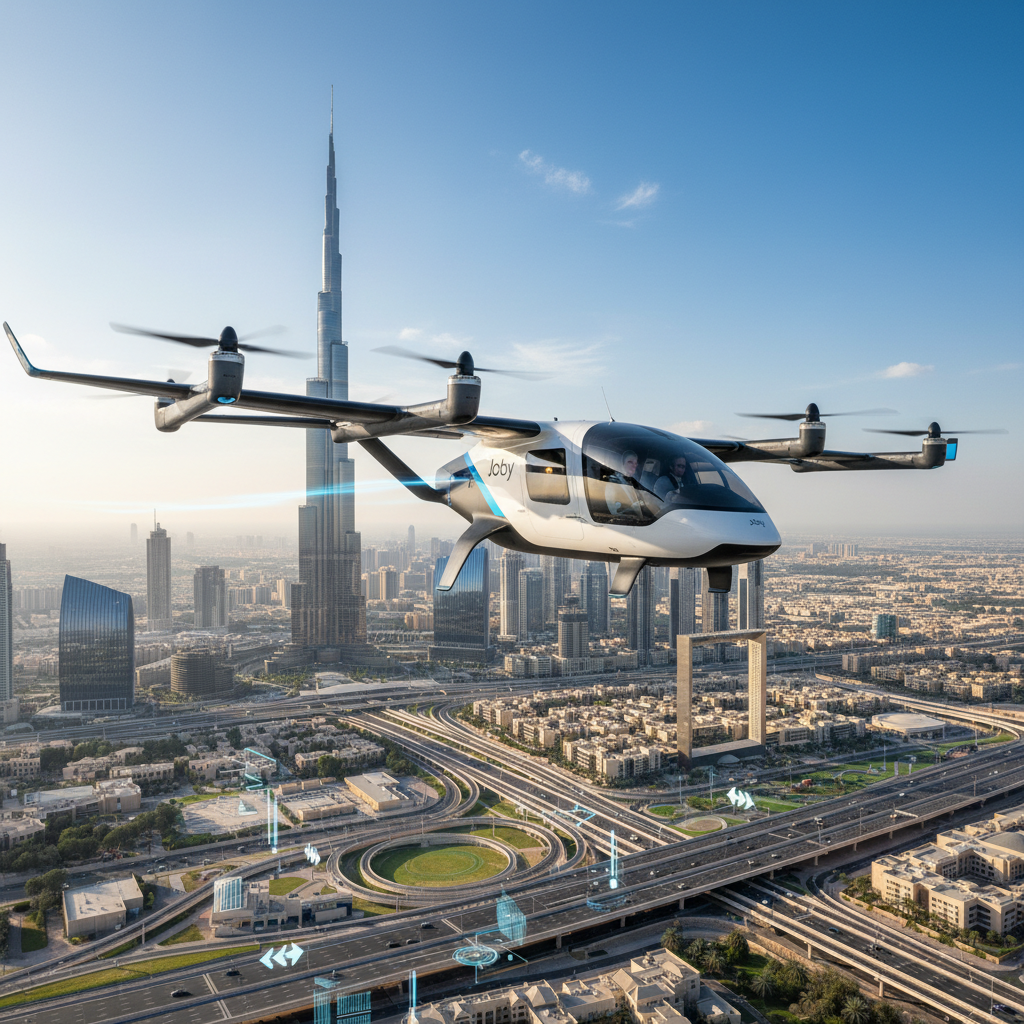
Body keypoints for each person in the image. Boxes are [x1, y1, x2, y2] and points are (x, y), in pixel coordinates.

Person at [604, 449, 643, 518]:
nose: (634, 466)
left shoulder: (633, 482)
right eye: (630, 462)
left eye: (635, 463)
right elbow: (615, 513)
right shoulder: (613, 483)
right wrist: (635, 507)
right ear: (622, 464)